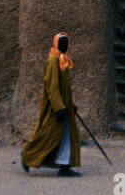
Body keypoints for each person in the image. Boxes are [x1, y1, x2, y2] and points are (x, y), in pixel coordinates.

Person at [20, 33, 81, 177]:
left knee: (66, 135)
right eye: (62, 43)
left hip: (64, 107)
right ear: (56, 45)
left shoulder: (64, 61)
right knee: (48, 134)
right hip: (55, 108)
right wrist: (59, 107)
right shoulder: (53, 62)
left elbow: (65, 90)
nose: (65, 46)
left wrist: (70, 105)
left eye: (66, 43)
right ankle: (28, 156)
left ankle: (64, 166)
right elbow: (52, 87)